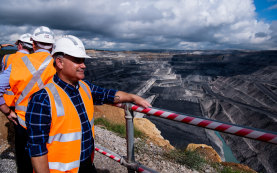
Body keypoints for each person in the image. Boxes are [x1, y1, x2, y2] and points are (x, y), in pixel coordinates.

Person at [25, 35, 151, 173]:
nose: (83, 65)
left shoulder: (85, 87)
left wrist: (132, 97)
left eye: (83, 61)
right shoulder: (42, 99)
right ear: (60, 62)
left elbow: (107, 94)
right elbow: (37, 148)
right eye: (77, 61)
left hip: (86, 164)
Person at [0, 26, 56, 173]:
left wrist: (6, 111)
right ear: (52, 46)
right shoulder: (60, 65)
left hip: (23, 123)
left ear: (33, 44)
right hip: (53, 124)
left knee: (24, 163)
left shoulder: (17, 63)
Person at [1, 33, 33, 107]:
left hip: (7, 101)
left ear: (20, 45)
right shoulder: (35, 60)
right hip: (26, 101)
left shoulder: (6, 57)